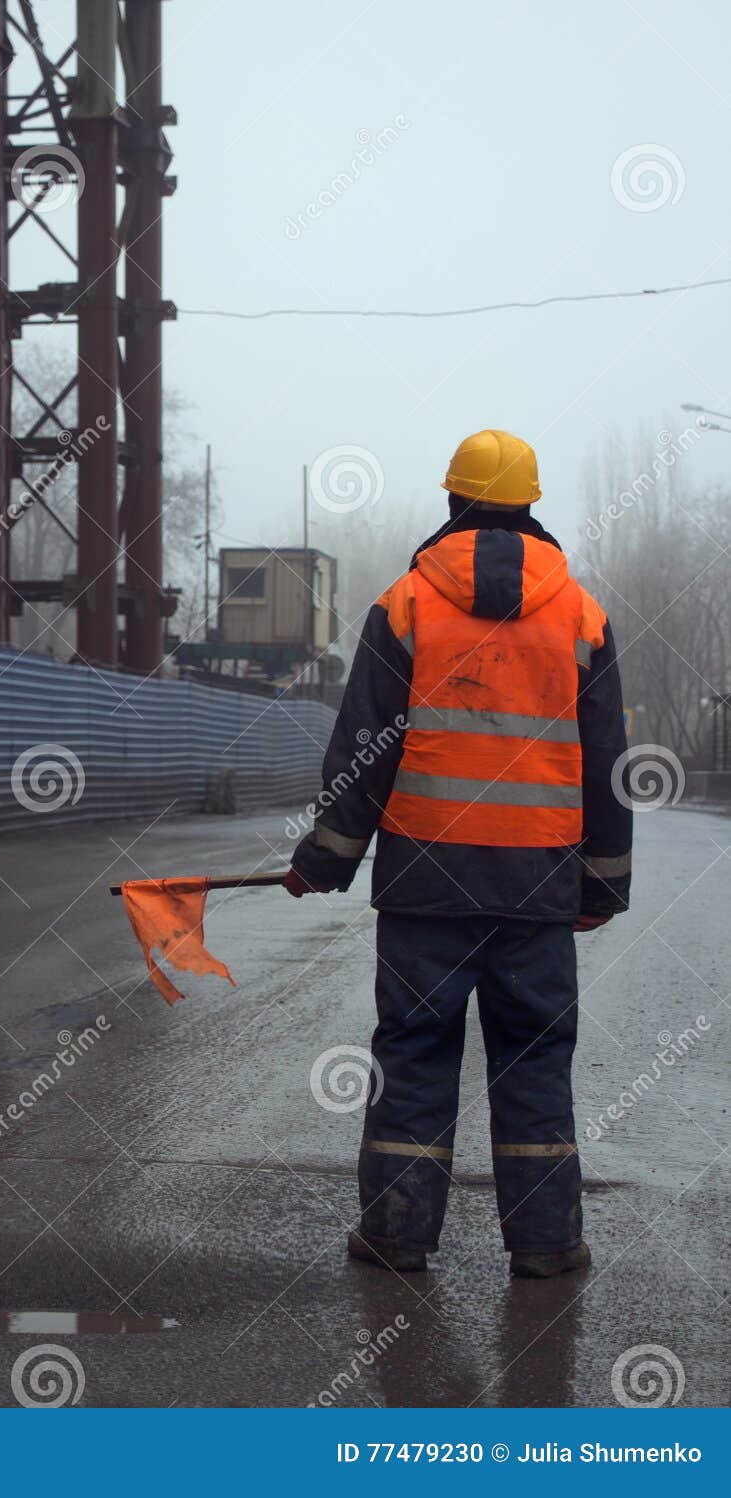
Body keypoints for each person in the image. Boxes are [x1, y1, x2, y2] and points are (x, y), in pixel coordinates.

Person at [286, 429, 632, 1278]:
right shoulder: (580, 616)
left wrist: (323, 860)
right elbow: (606, 763)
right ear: (530, 506)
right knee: (534, 1059)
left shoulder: (405, 605)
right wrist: (601, 887)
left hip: (424, 888)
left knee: (412, 1053)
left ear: (451, 502)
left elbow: (362, 750)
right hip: (537, 887)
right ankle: (546, 1246)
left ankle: (397, 1235)